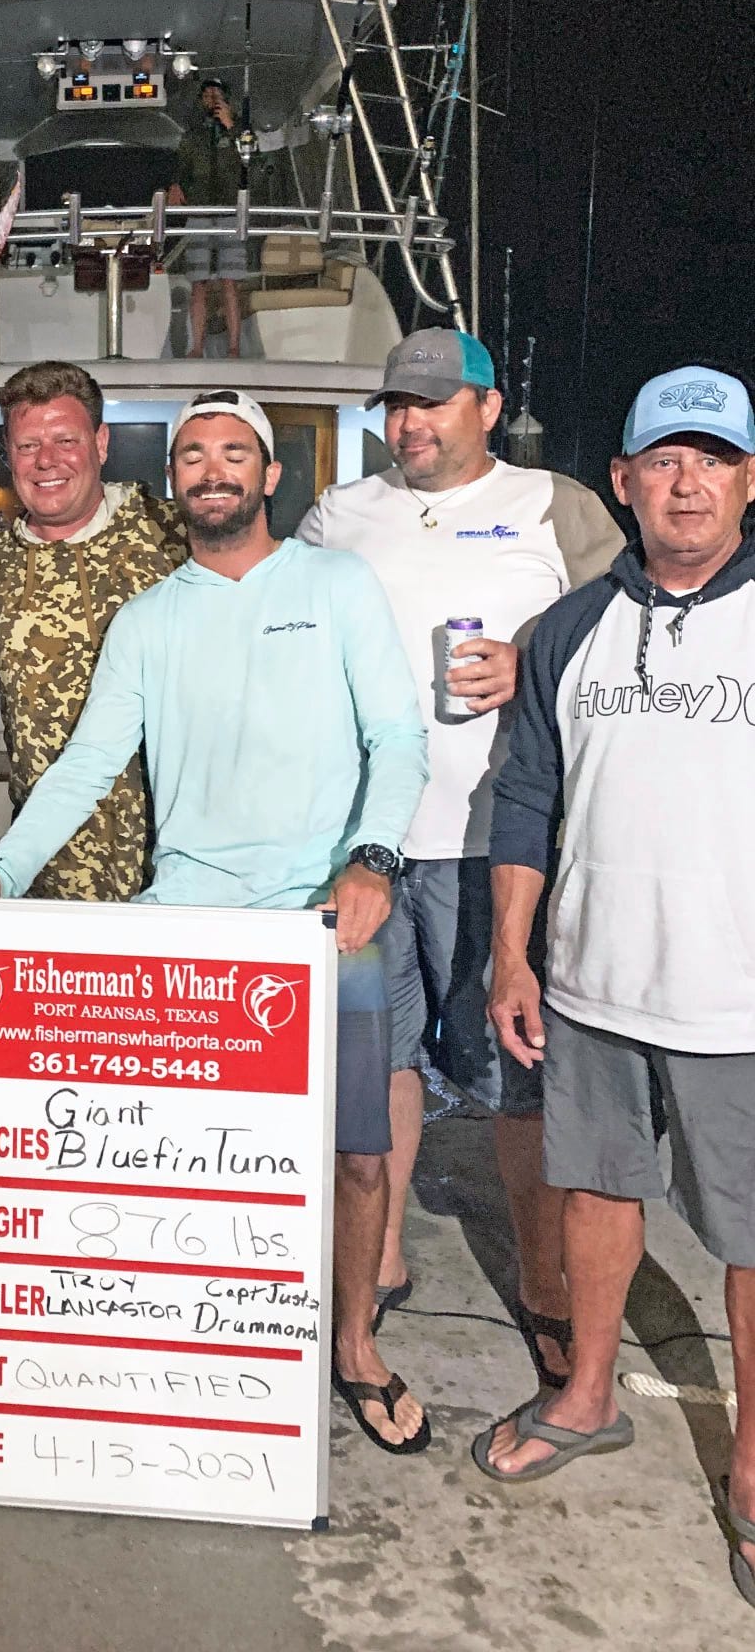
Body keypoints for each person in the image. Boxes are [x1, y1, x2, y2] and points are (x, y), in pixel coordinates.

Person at [0, 388, 434, 1453]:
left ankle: (354, 1346)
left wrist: (373, 860)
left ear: (269, 475)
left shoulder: (337, 584)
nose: (213, 470)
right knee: (172, 1164)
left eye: (233, 453)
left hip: (322, 926)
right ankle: (177, 1362)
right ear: (173, 483)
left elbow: (397, 736)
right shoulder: (146, 619)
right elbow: (84, 768)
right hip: (186, 931)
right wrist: (1, 874)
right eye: (194, 455)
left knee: (355, 1158)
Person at [473, 362, 755, 1606]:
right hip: (589, 986)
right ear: (626, 482)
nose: (688, 481)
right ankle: (589, 1394)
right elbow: (527, 796)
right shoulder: (577, 626)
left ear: (748, 481)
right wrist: (512, 952)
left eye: (715, 459)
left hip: (740, 1003)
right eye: (665, 460)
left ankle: (754, 1470)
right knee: (592, 1191)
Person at [299, 329, 623, 1377]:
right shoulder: (338, 515)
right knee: (381, 1062)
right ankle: (381, 1257)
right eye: (397, 405)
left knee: (516, 1076)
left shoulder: (557, 506)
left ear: (487, 407)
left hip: (508, 848)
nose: (411, 423)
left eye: (434, 403)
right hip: (372, 847)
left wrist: (530, 657)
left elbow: (631, 631)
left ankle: (540, 1279)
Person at [0, 362, 185, 903]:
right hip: (46, 877)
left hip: (180, 873)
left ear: (102, 441)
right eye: (27, 446)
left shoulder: (173, 535)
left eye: (66, 440)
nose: (47, 461)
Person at [166, 78, 269, 359]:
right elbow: (181, 168)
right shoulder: (193, 136)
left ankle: (234, 347)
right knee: (198, 282)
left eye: (217, 94)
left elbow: (256, 166)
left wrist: (231, 127)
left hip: (229, 212)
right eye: (207, 94)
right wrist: (175, 185)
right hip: (198, 212)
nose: (212, 99)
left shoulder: (241, 131)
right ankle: (196, 346)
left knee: (229, 281)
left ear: (227, 100)